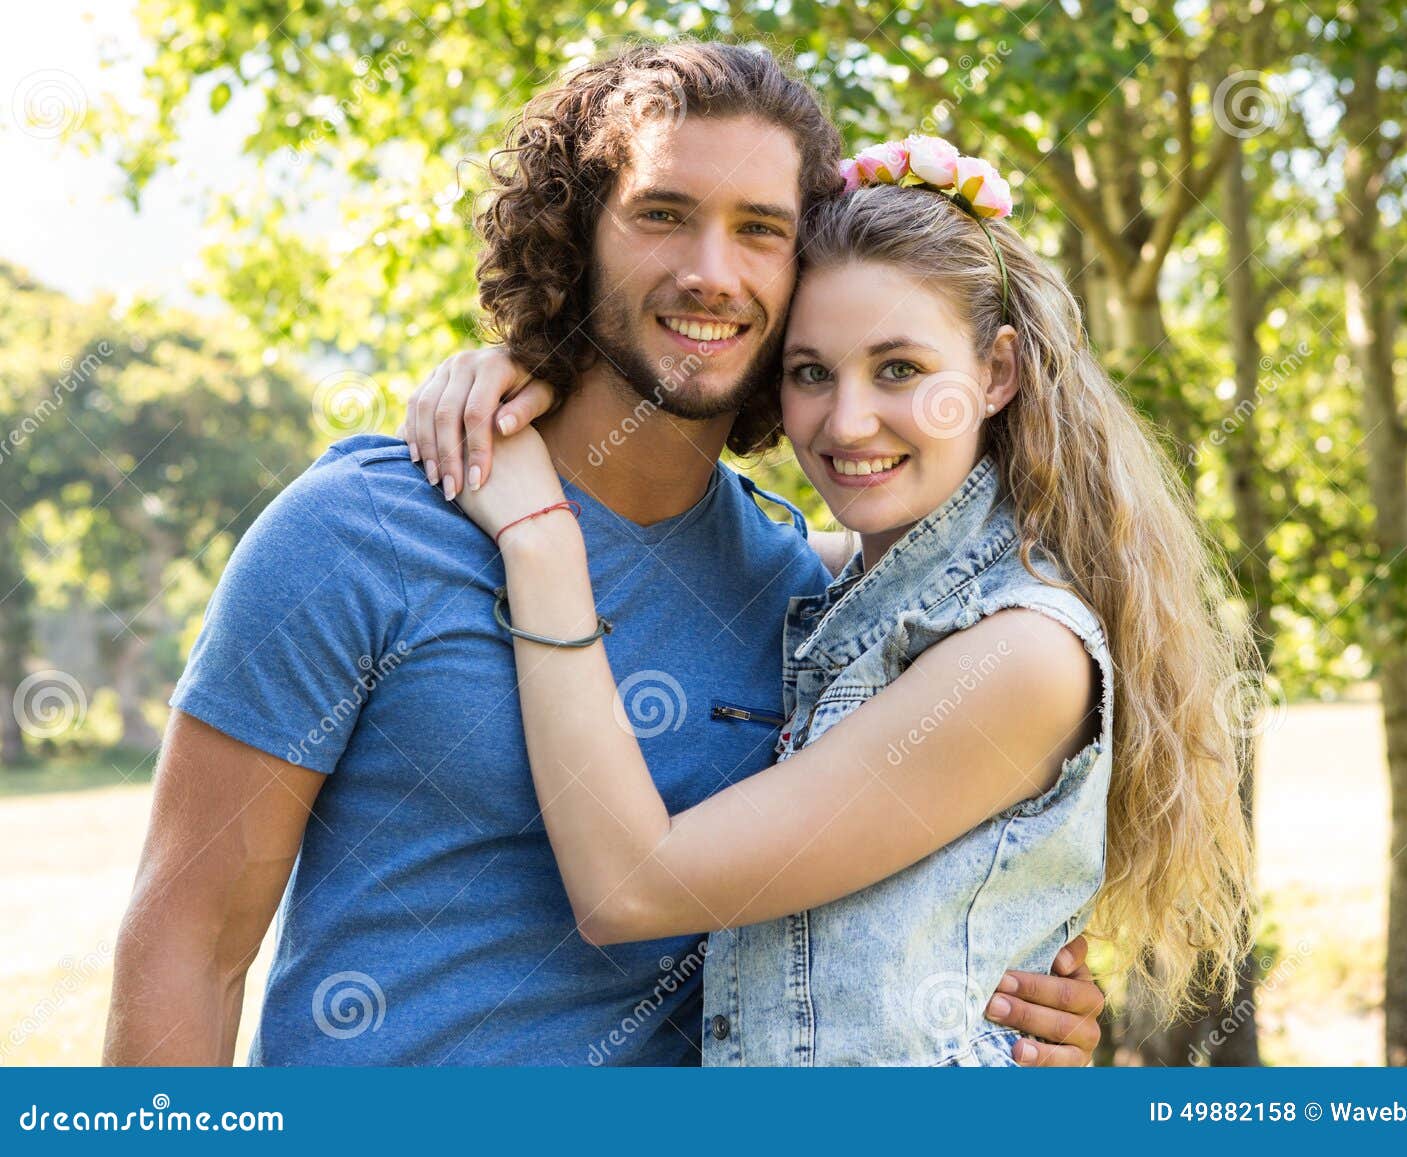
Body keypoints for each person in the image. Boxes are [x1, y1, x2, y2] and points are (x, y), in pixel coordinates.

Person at [103, 41, 1104, 1067]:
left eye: (759, 229)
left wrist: (1009, 1000)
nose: (710, 272)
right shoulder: (358, 532)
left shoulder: (805, 599)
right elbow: (189, 942)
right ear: (577, 233)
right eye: (661, 213)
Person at [415, 128, 1256, 1065]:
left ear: (997, 375)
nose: (848, 422)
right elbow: (686, 545)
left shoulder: (1023, 654)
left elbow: (632, 888)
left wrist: (537, 537)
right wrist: (507, 374)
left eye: (899, 369)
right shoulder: (843, 586)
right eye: (812, 372)